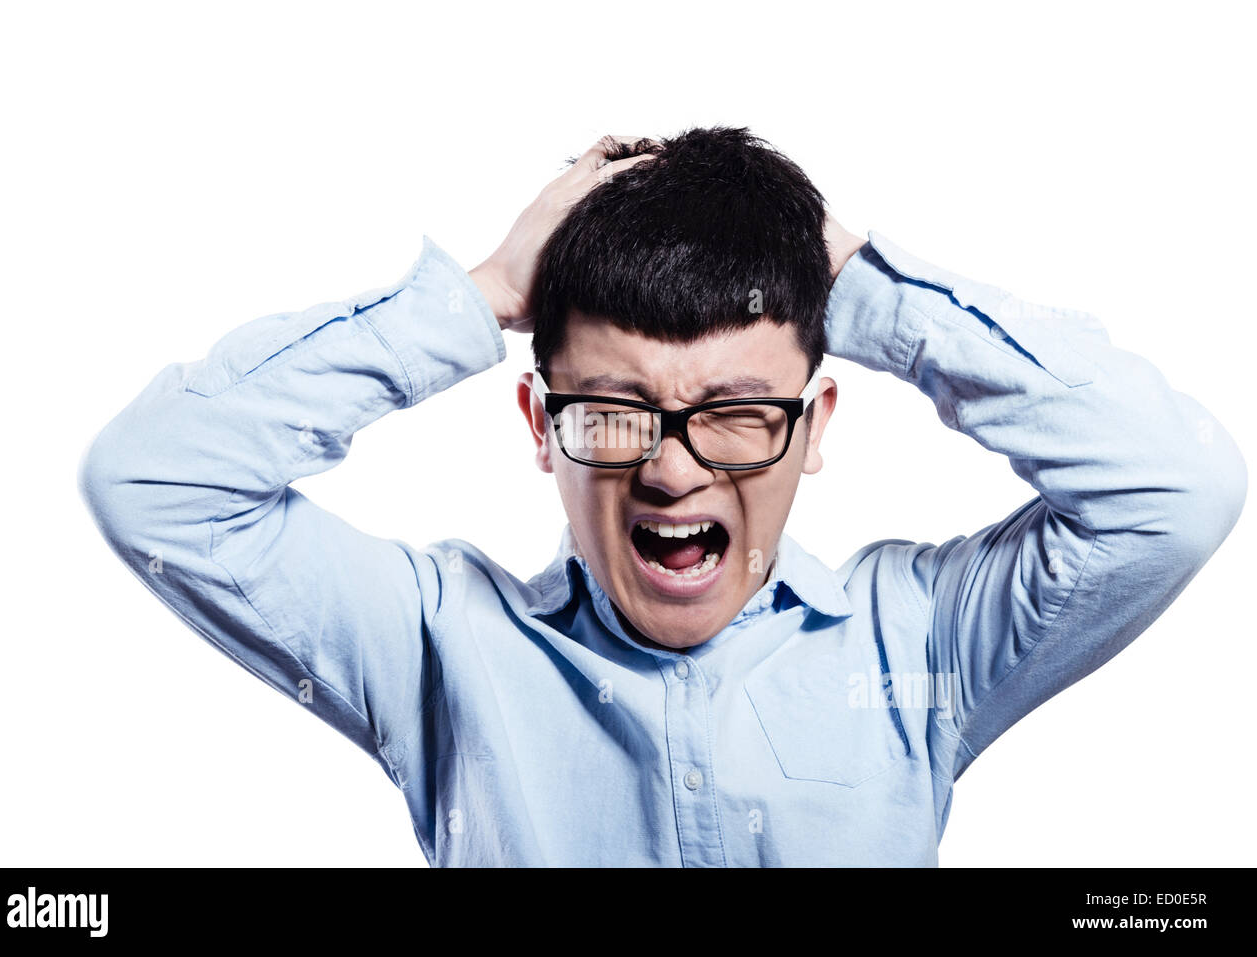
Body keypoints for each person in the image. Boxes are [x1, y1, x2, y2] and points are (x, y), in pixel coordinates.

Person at [78, 127, 1247, 866]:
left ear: (815, 428)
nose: (673, 469)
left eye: (738, 413)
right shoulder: (441, 649)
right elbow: (155, 484)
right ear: (542, 430)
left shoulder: (920, 645)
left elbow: (1173, 488)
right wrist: (481, 295)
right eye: (613, 410)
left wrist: (857, 282)